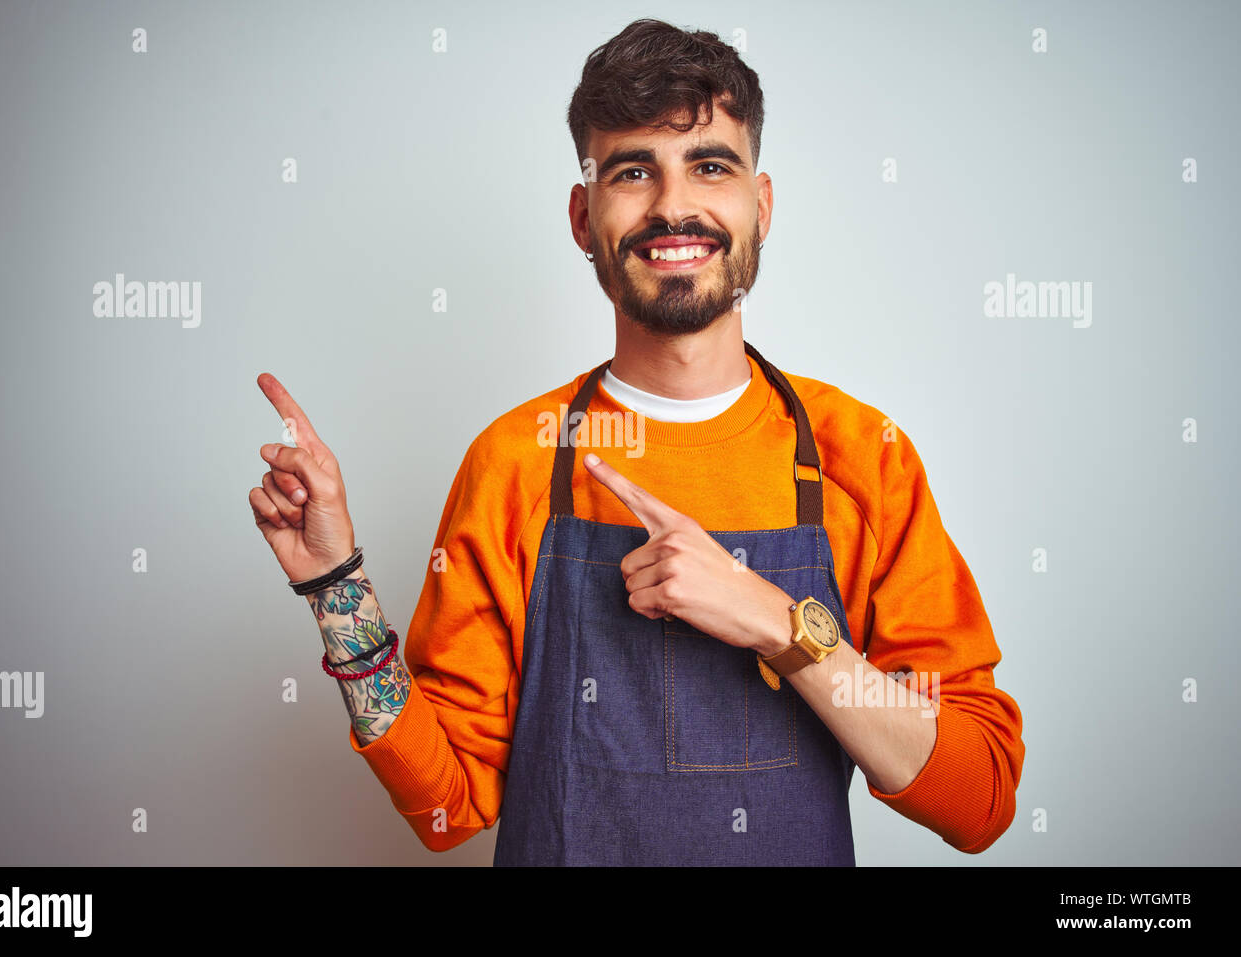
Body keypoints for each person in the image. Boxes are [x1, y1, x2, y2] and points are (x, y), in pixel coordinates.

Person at [249, 18, 1024, 866]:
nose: (673, 206)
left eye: (711, 166)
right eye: (632, 171)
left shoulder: (863, 455)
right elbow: (450, 808)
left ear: (760, 207)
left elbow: (978, 797)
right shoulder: (513, 461)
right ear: (584, 216)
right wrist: (336, 590)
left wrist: (776, 622)